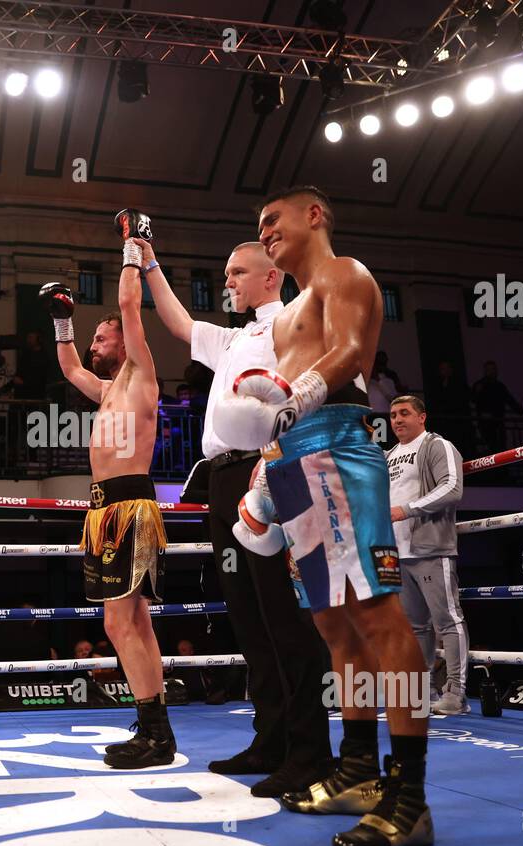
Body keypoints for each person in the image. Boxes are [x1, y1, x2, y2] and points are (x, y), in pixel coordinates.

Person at [216, 185, 432, 846]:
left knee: (377, 617)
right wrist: (265, 471)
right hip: (295, 461)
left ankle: (411, 797)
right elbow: (282, 403)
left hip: (341, 443)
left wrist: (294, 394)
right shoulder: (283, 322)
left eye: (273, 220)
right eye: (259, 225)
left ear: (313, 215)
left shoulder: (346, 275)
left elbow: (345, 356)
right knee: (333, 623)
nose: (265, 230)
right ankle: (360, 768)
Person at [137, 235, 333, 797]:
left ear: (271, 277)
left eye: (237, 272)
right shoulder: (233, 338)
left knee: (285, 615)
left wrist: (280, 461)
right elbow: (176, 322)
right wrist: (150, 261)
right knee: (248, 616)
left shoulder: (292, 322)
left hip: (272, 470)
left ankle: (310, 752)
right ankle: (270, 739)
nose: (228, 281)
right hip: (221, 478)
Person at [47, 214, 170, 769]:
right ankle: (156, 730)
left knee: (119, 623)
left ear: (124, 341)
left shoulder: (142, 372)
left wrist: (130, 247)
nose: (94, 345)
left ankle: (154, 730)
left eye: (101, 337)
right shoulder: (105, 389)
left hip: (130, 505)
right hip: (103, 509)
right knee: (134, 621)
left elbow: (128, 308)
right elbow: (68, 365)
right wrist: (62, 321)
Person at [385, 395, 470, 716]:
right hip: (396, 552)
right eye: (393, 415)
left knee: (448, 620)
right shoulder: (389, 455)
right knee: (416, 627)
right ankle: (424, 691)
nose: (397, 420)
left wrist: (405, 510)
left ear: (422, 416)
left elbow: (452, 488)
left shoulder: (437, 445)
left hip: (431, 547)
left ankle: (456, 693)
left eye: (404, 413)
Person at [471, 360, 520, 454]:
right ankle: (496, 467)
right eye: (489, 370)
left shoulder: (499, 386)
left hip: (498, 421)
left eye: (493, 369)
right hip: (486, 423)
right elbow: (473, 399)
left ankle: (500, 467)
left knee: (500, 447)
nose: (492, 372)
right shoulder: (480, 385)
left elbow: (509, 399)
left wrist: (521, 411)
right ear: (485, 371)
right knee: (492, 447)